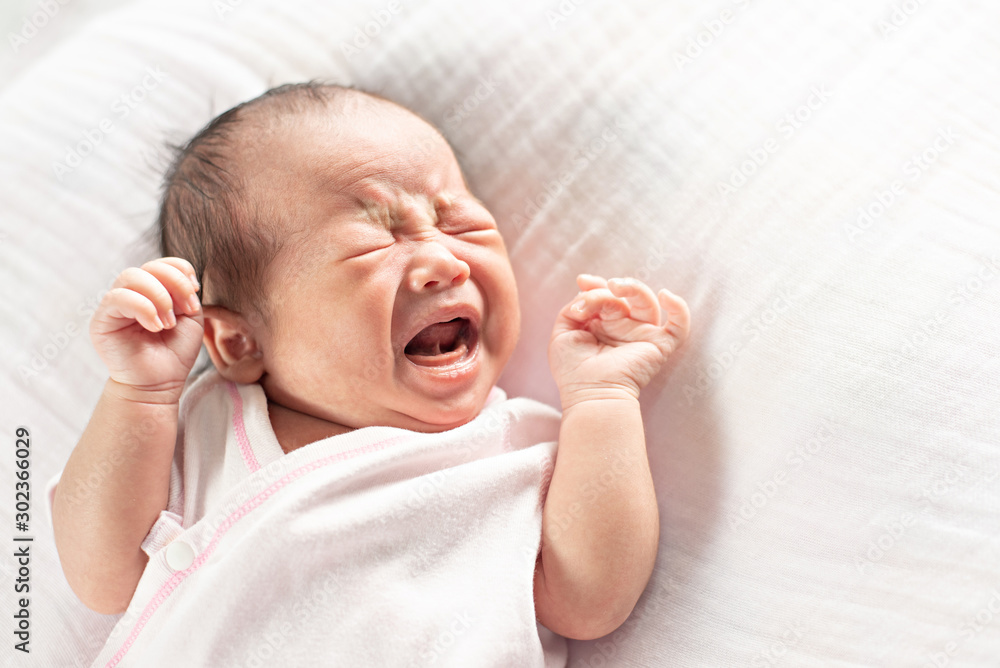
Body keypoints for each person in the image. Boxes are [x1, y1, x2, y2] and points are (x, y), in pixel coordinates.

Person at [50, 82, 690, 664]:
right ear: (240, 340)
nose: (442, 259)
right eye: (375, 240)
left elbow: (587, 601)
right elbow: (100, 575)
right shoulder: (207, 428)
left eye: (456, 217)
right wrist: (138, 395)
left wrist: (602, 396)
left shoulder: (514, 450)